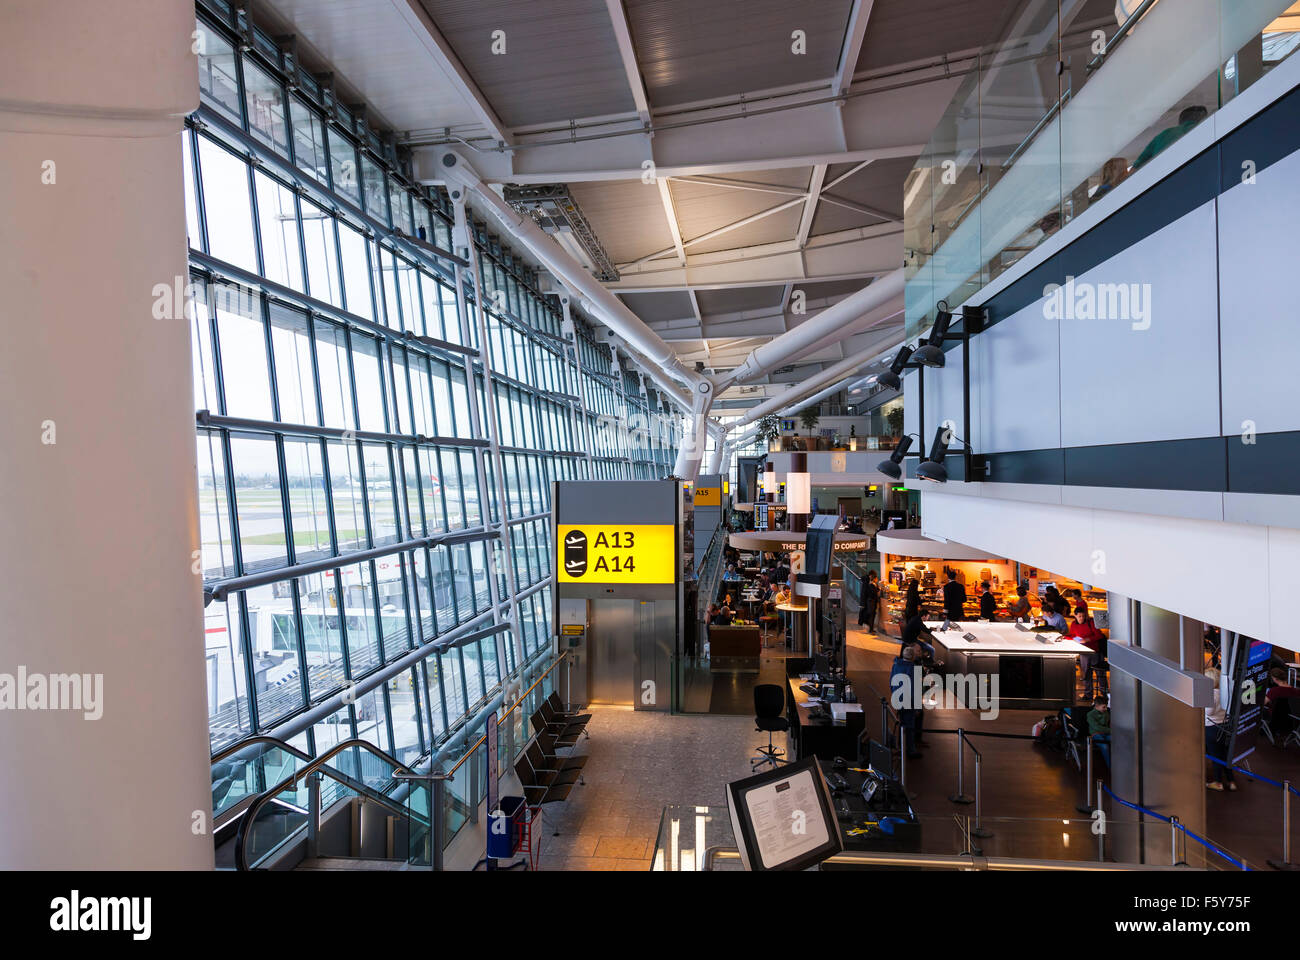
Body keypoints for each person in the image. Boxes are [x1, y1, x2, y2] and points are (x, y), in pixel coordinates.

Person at [1133, 105, 1208, 170]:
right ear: (1204, 120)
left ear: (1181, 120)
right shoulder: (1203, 130)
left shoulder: (1164, 134)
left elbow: (1136, 166)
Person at [1204, 666, 1236, 791]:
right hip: (1225, 726)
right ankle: (1231, 781)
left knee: (1215, 756)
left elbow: (1209, 712)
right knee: (1226, 755)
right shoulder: (1225, 691)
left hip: (1212, 728)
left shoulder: (1211, 694)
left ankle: (1218, 783)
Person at [890, 644, 924, 760]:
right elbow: (915, 689)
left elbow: (891, 682)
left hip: (898, 699)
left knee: (901, 723)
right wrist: (918, 707)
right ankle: (911, 750)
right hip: (909, 701)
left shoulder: (896, 665)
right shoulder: (913, 669)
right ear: (913, 656)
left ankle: (900, 747)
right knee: (910, 726)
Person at [1067, 609, 1107, 698]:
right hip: (1084, 652)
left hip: (1095, 652)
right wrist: (1066, 637)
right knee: (1086, 674)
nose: (1081, 618)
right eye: (1079, 616)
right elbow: (1072, 635)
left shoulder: (1091, 623)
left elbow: (1099, 635)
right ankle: (1088, 694)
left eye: (1083, 616)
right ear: (1075, 616)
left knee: (1100, 674)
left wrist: (1088, 639)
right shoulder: (1073, 624)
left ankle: (1104, 694)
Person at [1086, 696, 1111, 767]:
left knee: (1120, 742)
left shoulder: (1105, 712)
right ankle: (1110, 767)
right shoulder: (1090, 714)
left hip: (1106, 734)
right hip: (1096, 734)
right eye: (1104, 707)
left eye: (1106, 707)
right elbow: (1097, 727)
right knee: (1105, 746)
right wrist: (1112, 731)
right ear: (1097, 706)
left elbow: (1106, 724)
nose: (1106, 709)